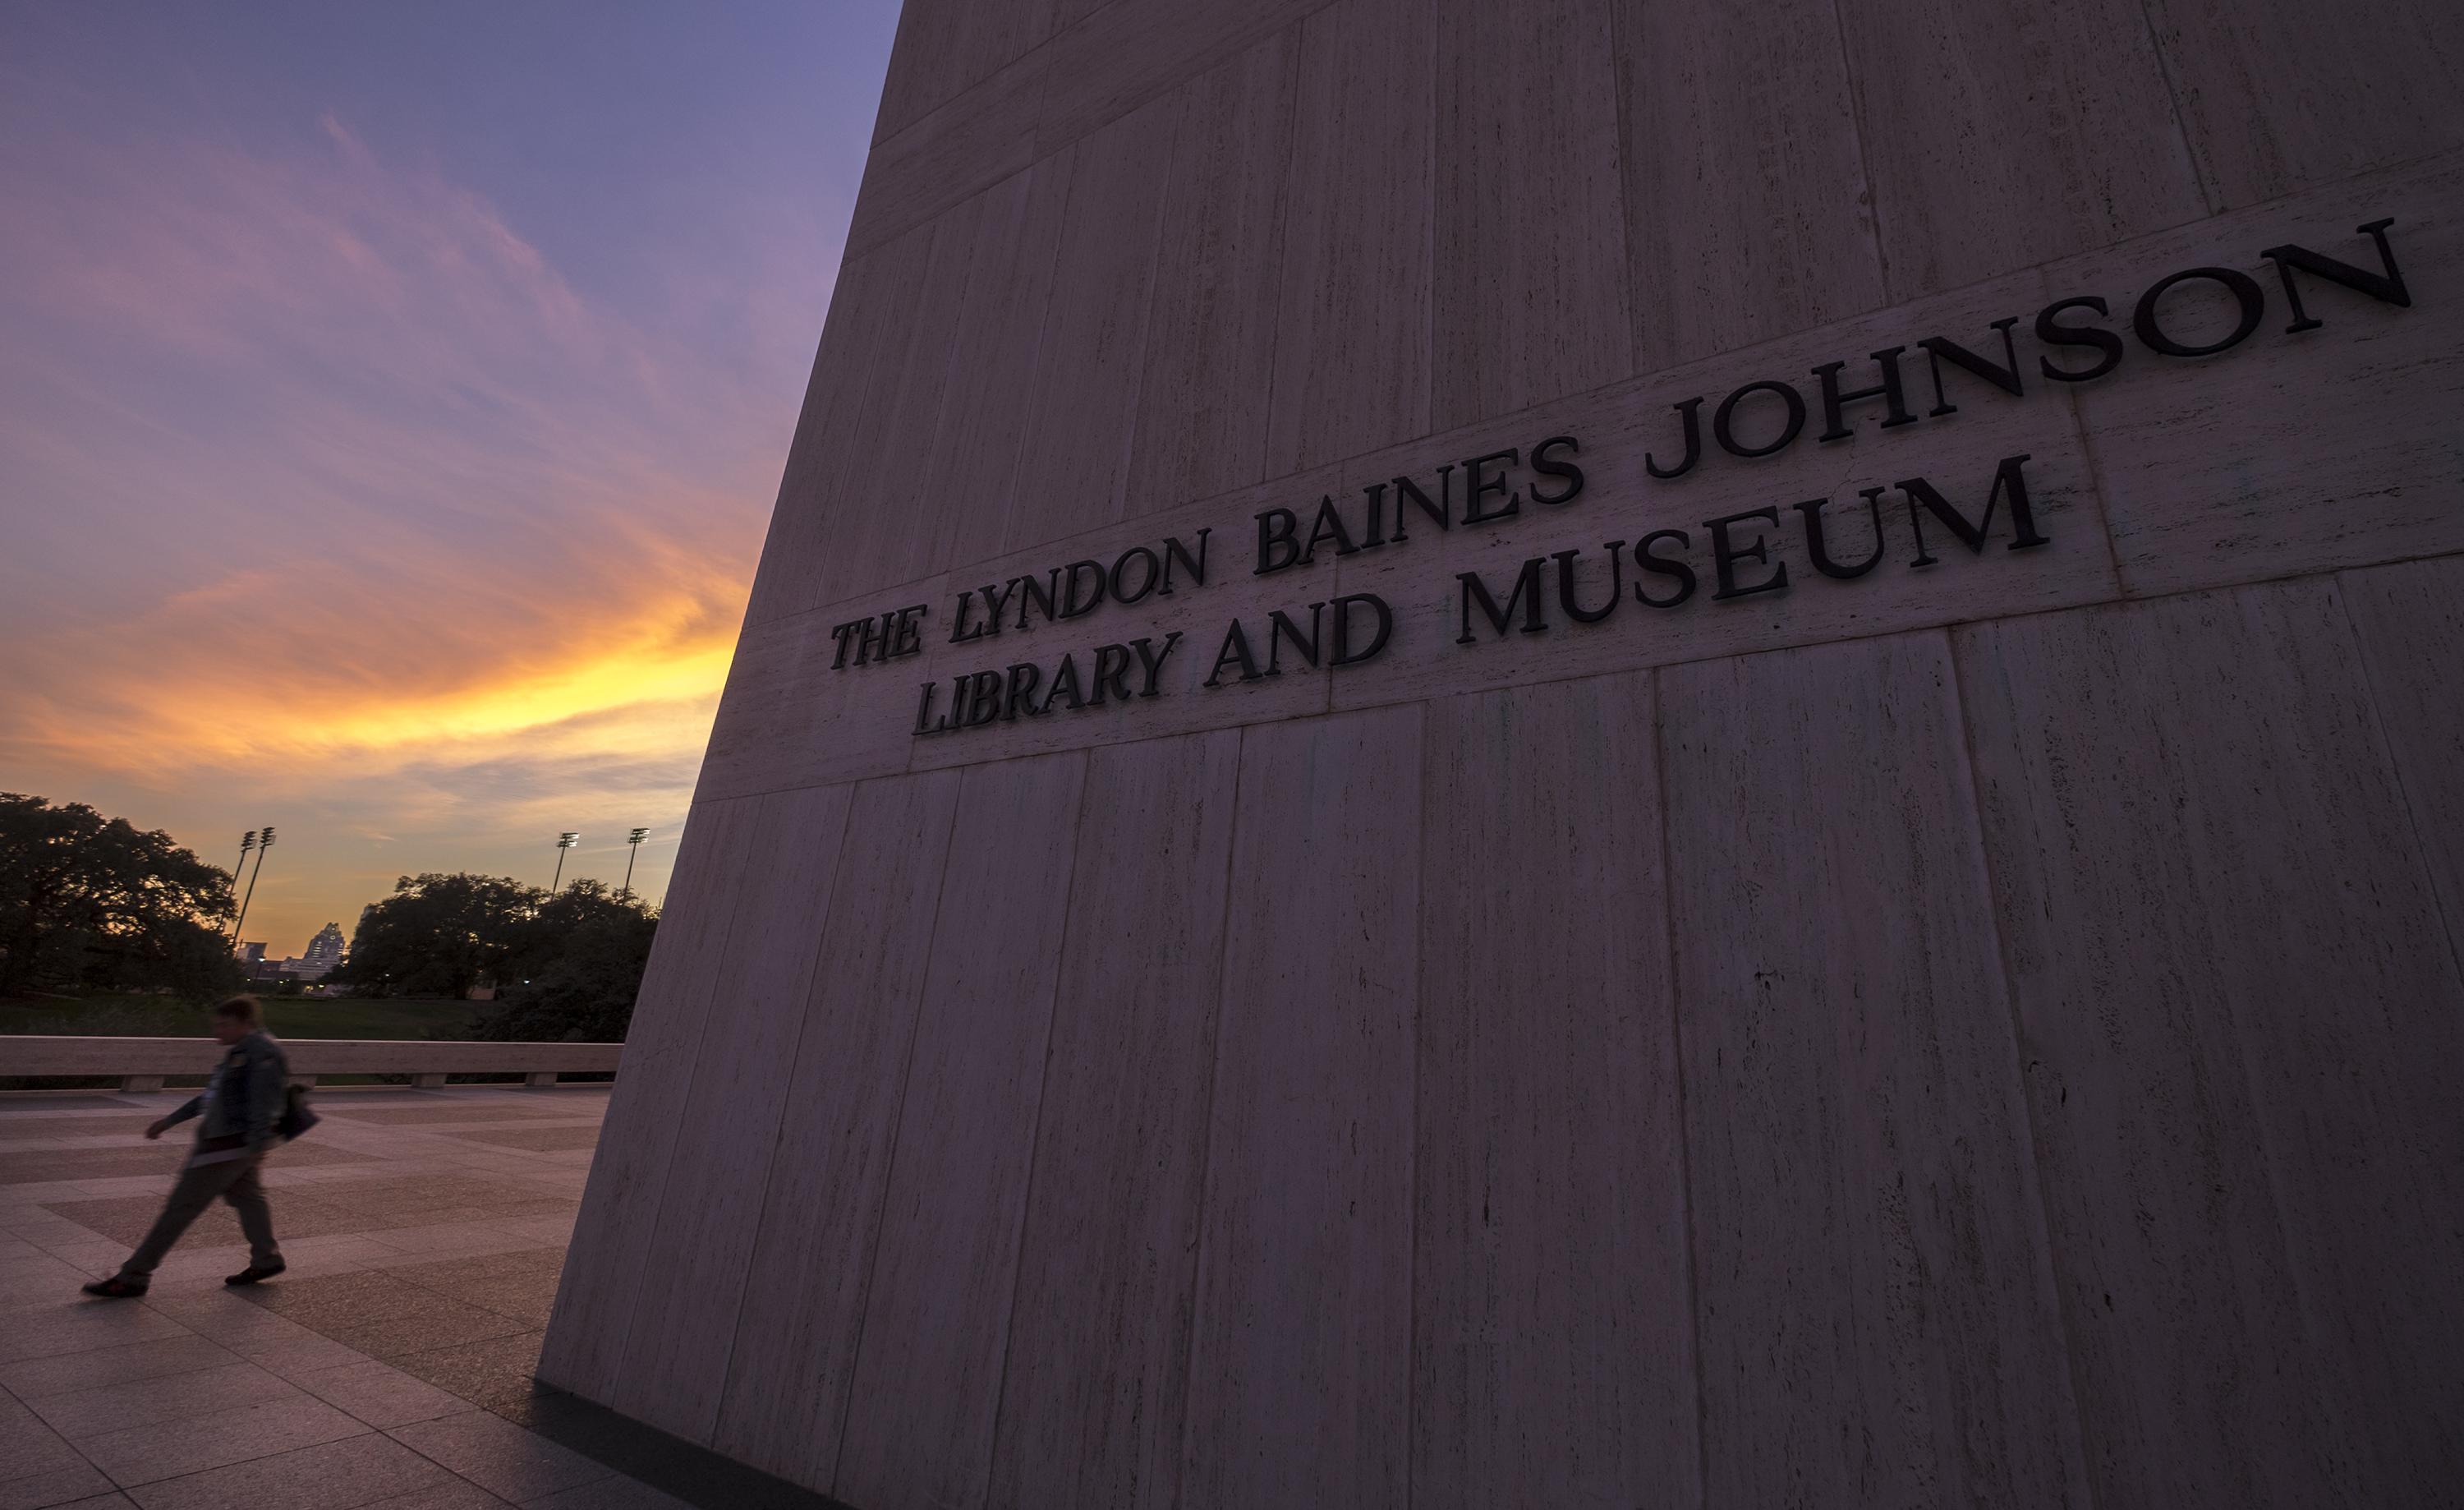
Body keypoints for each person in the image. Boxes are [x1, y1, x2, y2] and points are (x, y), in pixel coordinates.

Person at [82, 997, 290, 1297]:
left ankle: (134, 1276)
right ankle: (267, 1258)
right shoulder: (244, 1049)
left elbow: (264, 1102)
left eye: (224, 1025)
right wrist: (170, 1120)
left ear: (246, 1023)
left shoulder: (260, 1052)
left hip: (226, 1146)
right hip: (234, 1144)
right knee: (249, 1198)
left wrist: (257, 1144)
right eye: (216, 1024)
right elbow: (212, 1097)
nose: (217, 1031)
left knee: (180, 1208)